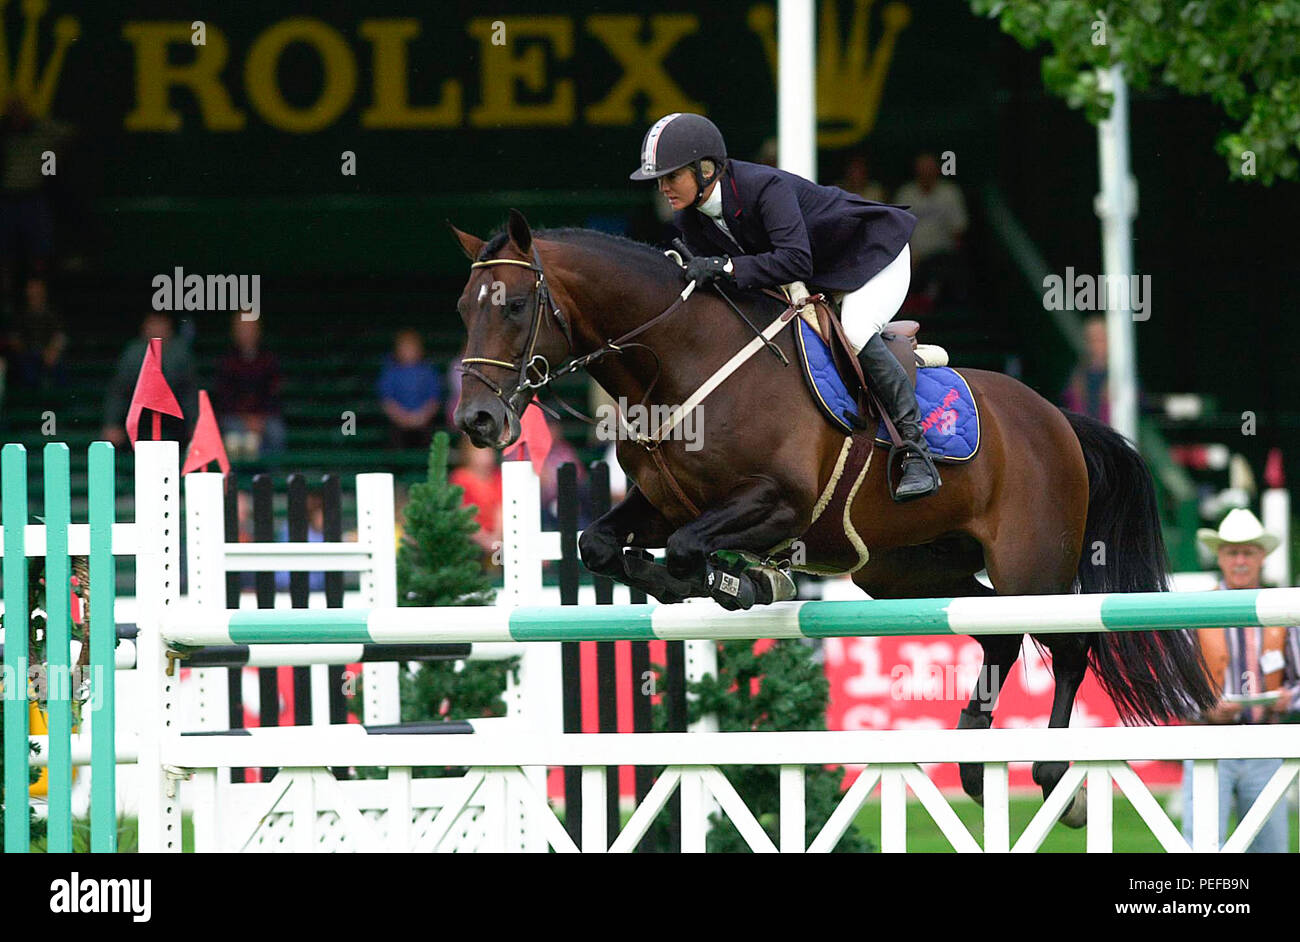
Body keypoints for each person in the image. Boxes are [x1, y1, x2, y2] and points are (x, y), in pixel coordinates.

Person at [629, 113, 938, 501]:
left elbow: (795, 262)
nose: (662, 187)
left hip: (874, 257)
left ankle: (915, 451)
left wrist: (725, 266)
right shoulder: (690, 219)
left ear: (705, 169)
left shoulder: (764, 187)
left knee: (856, 330)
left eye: (671, 177)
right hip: (825, 276)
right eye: (659, 179)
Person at [1179, 508, 1300, 851]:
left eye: (1248, 552)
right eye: (1233, 552)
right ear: (1220, 556)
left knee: (1272, 846)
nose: (1241, 560)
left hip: (1264, 744)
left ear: (1262, 556)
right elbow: (1175, 687)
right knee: (1203, 846)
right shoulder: (1197, 612)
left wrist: (1287, 698)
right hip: (1209, 741)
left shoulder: (1284, 611)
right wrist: (1206, 709)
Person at [101, 312, 198, 447]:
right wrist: (112, 423)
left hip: (174, 421)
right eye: (152, 324)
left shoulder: (181, 354)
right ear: (144, 329)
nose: (156, 329)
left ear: (169, 328)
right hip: (140, 419)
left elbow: (189, 392)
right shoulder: (132, 354)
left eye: (160, 324)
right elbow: (119, 391)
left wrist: (195, 423)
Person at [894, 151, 968, 307]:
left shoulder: (950, 192)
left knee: (942, 267)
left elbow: (959, 230)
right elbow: (897, 231)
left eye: (929, 168)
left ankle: (929, 298)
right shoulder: (906, 193)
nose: (926, 173)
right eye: (922, 169)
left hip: (942, 255)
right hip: (912, 257)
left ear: (936, 170)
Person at [213, 313, 286, 459]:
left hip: (265, 418)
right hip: (235, 417)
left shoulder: (269, 360)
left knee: (276, 433)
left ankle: (271, 476)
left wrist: (260, 419)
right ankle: (235, 479)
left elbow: (274, 393)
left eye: (249, 328)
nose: (246, 332)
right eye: (242, 328)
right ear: (234, 331)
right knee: (232, 437)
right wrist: (246, 419)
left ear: (258, 330)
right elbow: (225, 396)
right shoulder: (226, 361)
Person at [377, 329, 443, 450]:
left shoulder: (428, 371)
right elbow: (386, 401)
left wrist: (421, 417)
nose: (408, 351)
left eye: (411, 347)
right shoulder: (390, 372)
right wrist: (403, 418)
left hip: (424, 423)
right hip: (397, 425)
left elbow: (434, 400)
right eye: (404, 347)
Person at [1060, 316, 1110, 424]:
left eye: (1101, 339)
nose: (1096, 345)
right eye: (1091, 340)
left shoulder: (1122, 376)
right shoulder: (1076, 377)